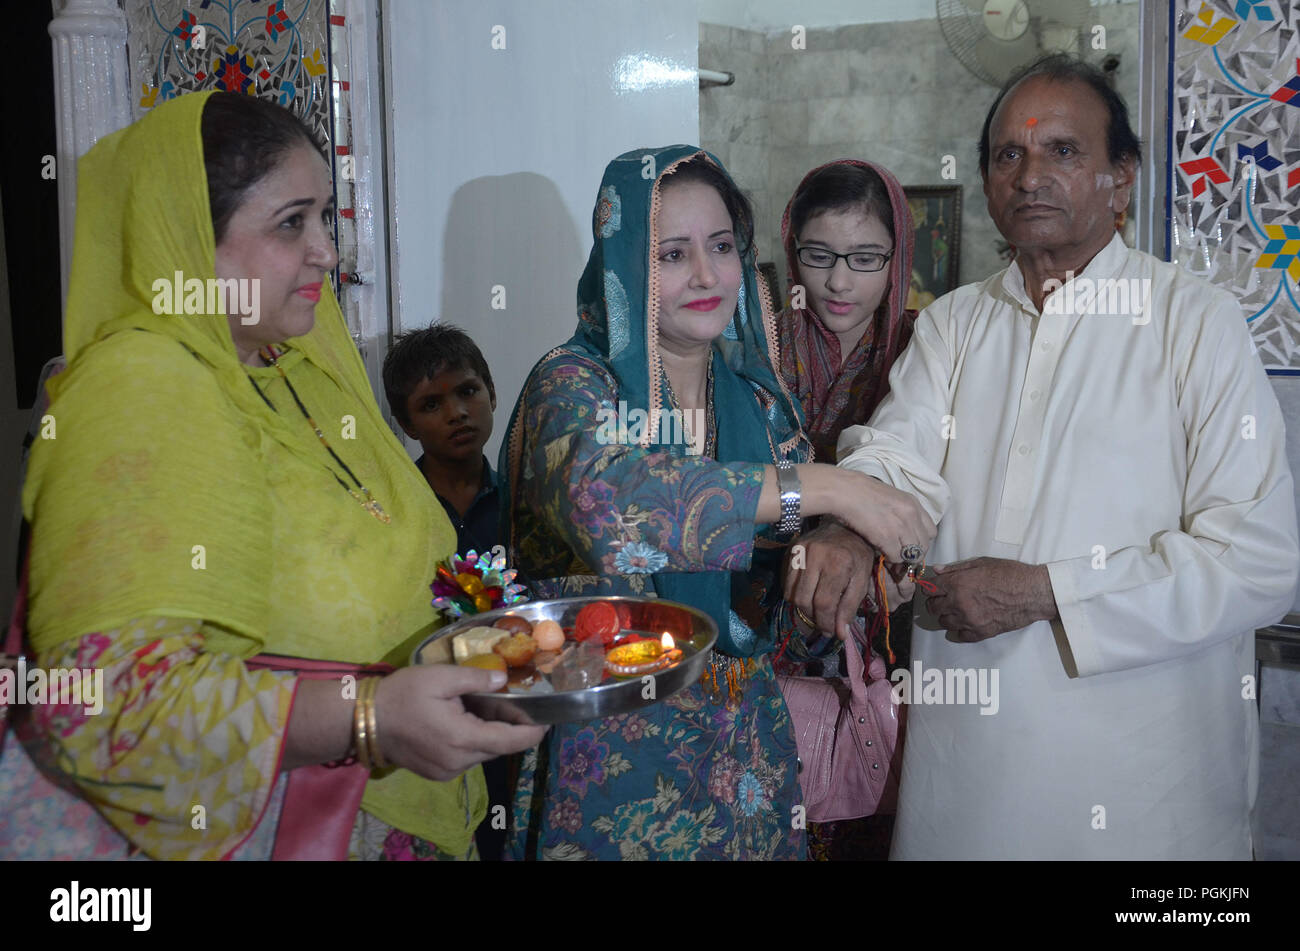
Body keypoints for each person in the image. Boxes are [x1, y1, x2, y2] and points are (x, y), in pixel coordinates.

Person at [0, 91, 544, 860]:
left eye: (326, 217)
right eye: (292, 223)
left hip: (408, 814)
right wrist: (368, 718)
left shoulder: (300, 368)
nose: (326, 250)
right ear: (192, 240)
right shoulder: (142, 387)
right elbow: (103, 704)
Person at [794, 54, 1300, 859]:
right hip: (963, 774)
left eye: (1063, 151)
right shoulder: (958, 321)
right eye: (1009, 155)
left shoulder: (1195, 323)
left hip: (1144, 783)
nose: (1030, 176)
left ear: (1120, 177)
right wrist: (857, 528)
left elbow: (1260, 561)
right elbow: (900, 454)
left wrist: (1045, 591)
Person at [499, 145, 937, 860]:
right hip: (614, 760)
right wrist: (831, 485)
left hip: (750, 757)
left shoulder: (760, 401)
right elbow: (607, 504)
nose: (706, 274)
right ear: (625, 261)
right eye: (671, 253)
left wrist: (855, 578)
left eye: (723, 246)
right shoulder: (576, 384)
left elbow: (779, 587)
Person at [773, 159, 918, 860]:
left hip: (891, 634)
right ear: (790, 246)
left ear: (898, 260)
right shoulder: (755, 350)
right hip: (767, 628)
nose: (837, 281)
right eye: (819, 255)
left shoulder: (926, 352)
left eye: (865, 259)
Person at [384, 323, 501, 557]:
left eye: (467, 392)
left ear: (491, 393)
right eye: (431, 405)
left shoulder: (523, 505)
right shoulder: (391, 512)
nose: (456, 413)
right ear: (407, 425)